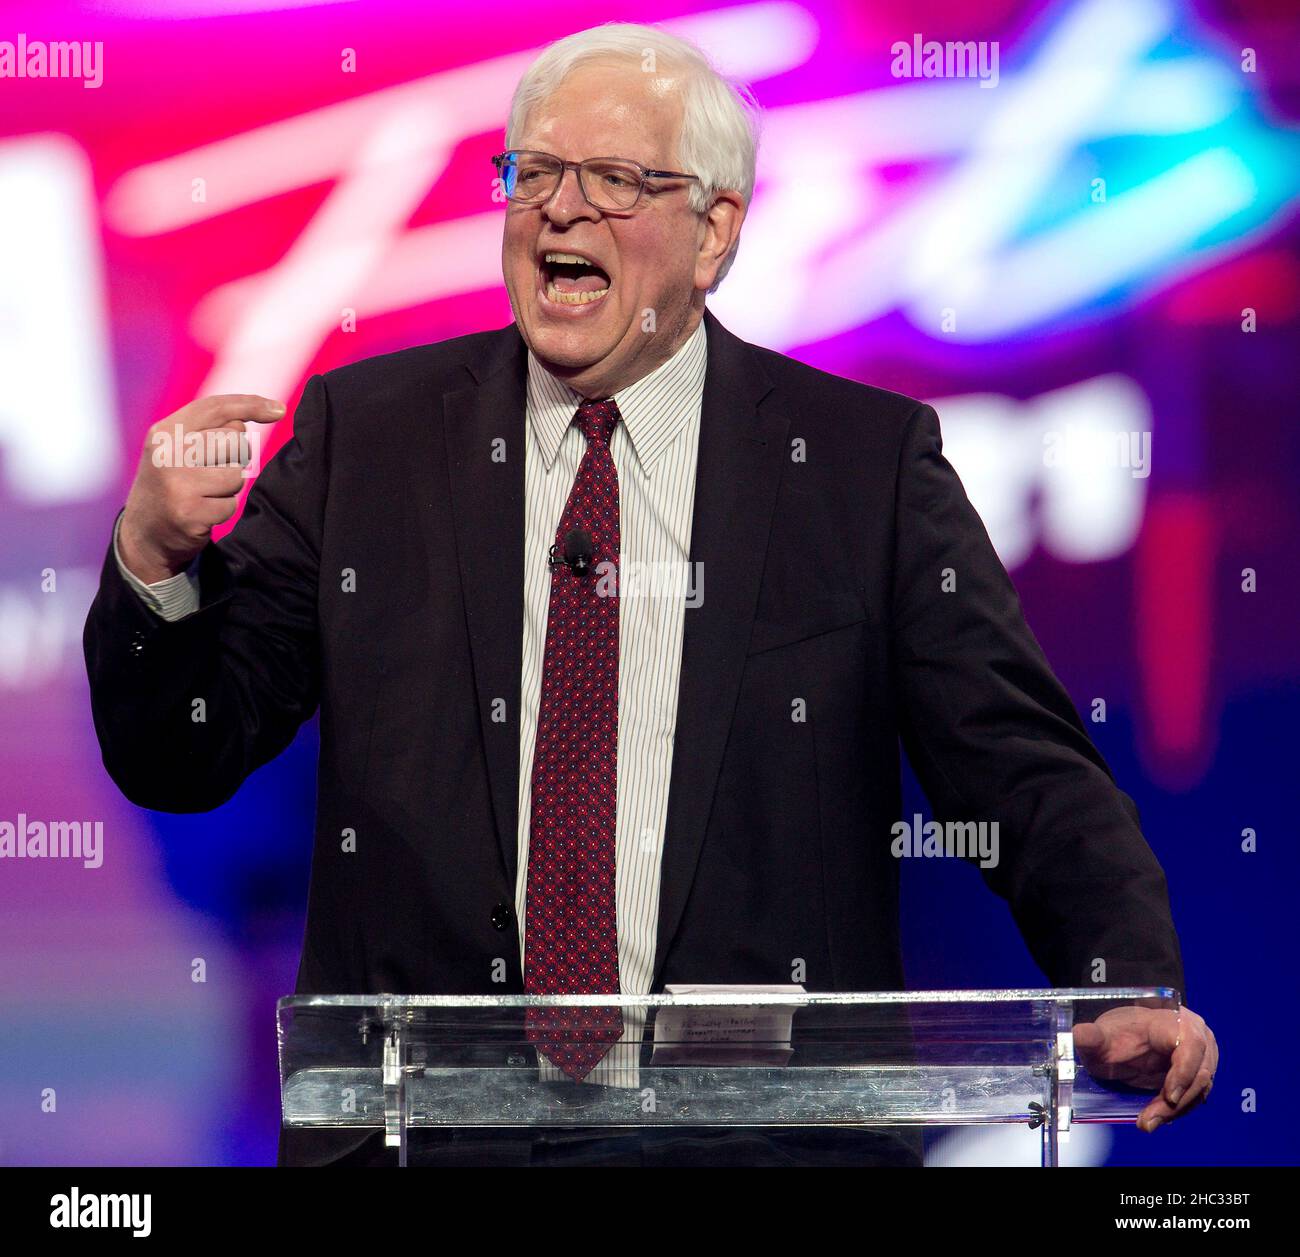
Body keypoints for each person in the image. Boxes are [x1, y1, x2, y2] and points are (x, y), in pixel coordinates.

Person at [84, 23, 1216, 1167]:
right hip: (429, 1145)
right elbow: (184, 753)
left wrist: (1120, 976)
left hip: (751, 1147)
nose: (558, 210)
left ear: (716, 229)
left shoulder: (859, 468)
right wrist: (155, 561)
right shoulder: (363, 440)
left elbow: (1014, 758)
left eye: (615, 179)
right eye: (532, 174)